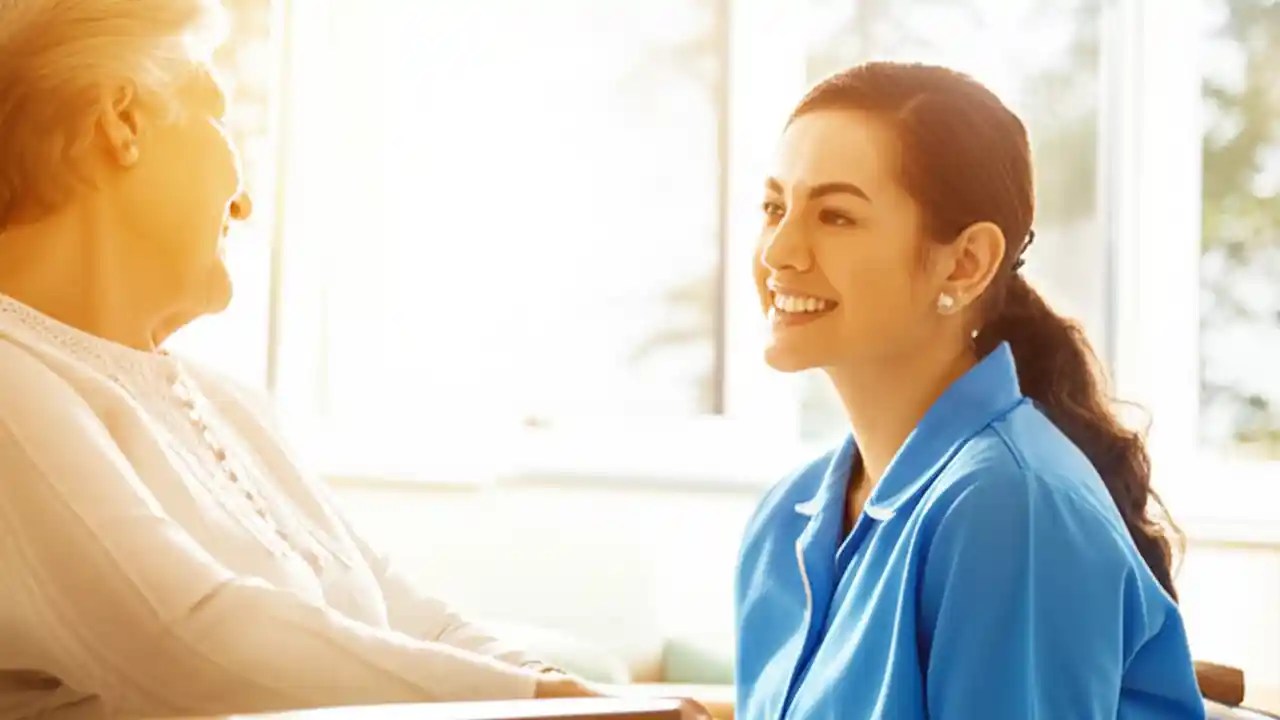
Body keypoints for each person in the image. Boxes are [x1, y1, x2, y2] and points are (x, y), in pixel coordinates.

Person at [0, 1, 609, 717]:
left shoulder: (230, 405)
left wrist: (587, 696)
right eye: (221, 118)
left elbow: (410, 617)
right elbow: (183, 645)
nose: (246, 202)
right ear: (122, 121)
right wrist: (546, 701)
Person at [734, 62, 1207, 719]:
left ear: (966, 262)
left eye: (836, 216)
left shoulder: (1011, 507)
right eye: (774, 208)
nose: (779, 251)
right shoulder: (787, 517)